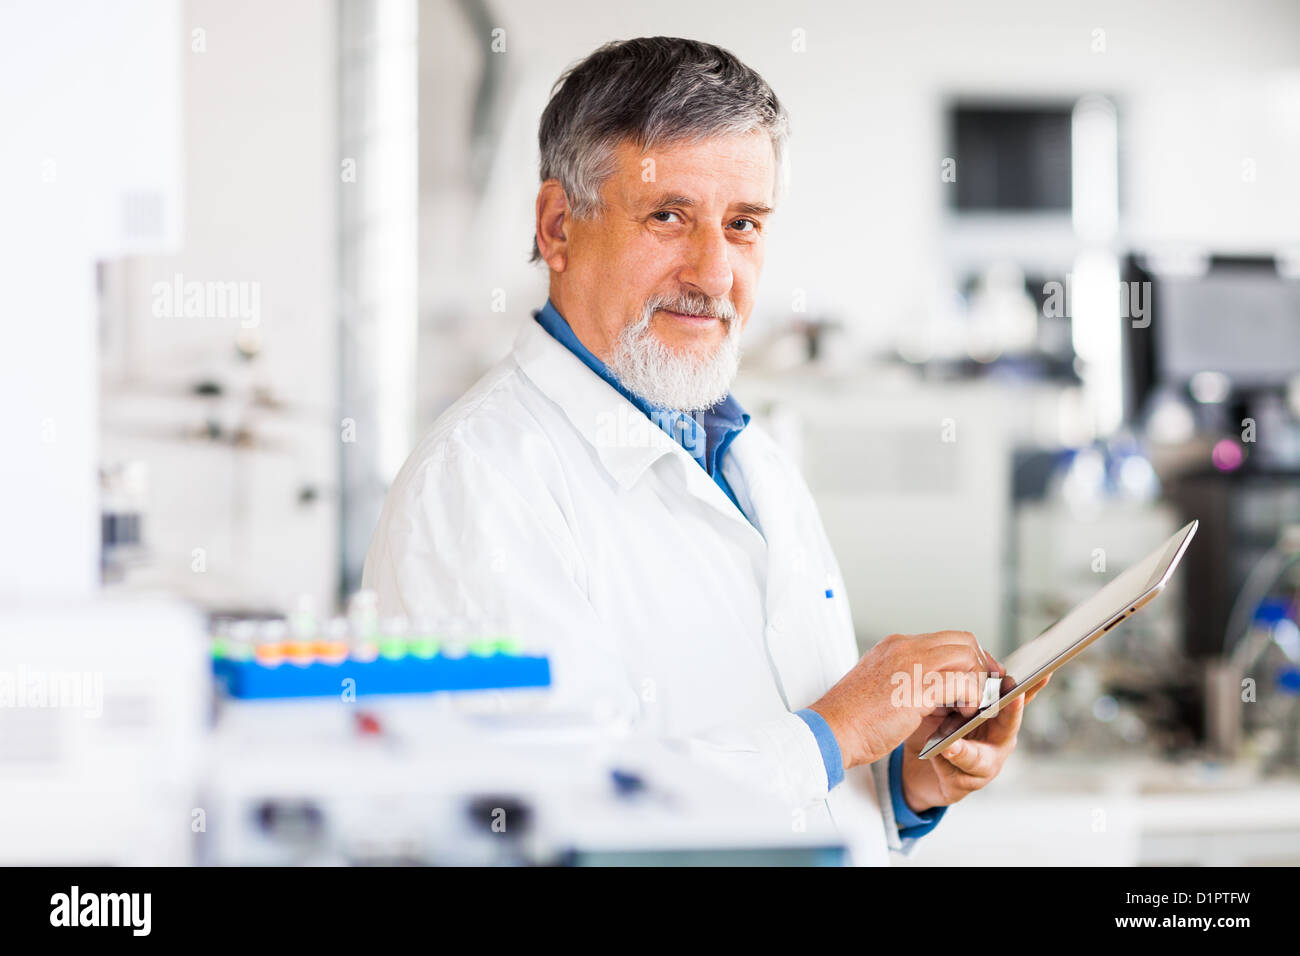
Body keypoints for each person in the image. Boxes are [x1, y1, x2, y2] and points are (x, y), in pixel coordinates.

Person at [363, 36, 1045, 864]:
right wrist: (835, 732)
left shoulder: (746, 455)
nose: (715, 273)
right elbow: (543, 822)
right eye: (668, 217)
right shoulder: (478, 484)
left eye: (743, 224)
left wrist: (903, 781)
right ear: (557, 227)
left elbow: (784, 762)